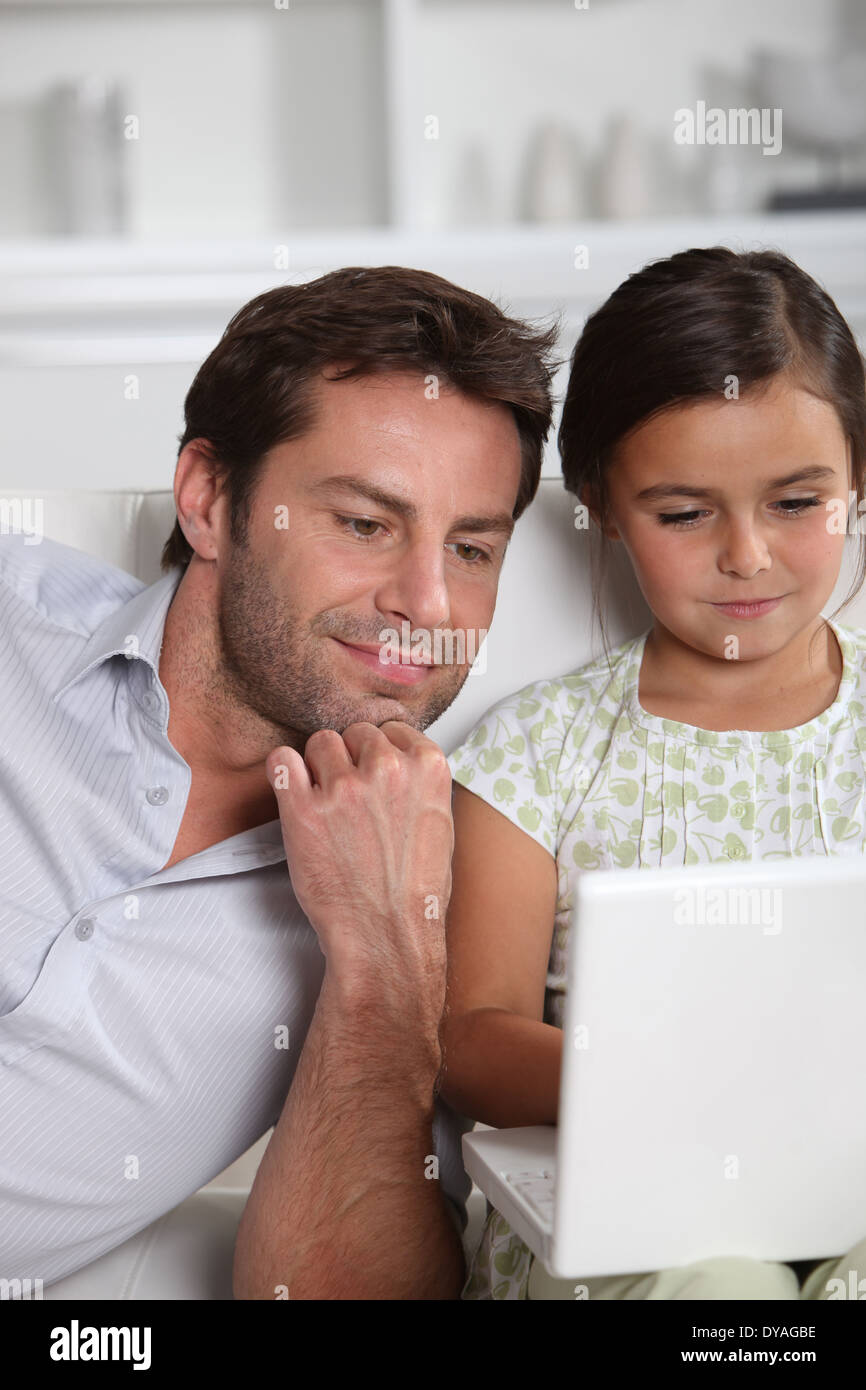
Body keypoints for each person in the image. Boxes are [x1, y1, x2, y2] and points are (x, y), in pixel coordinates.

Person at [0, 265, 558, 1300]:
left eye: (471, 547)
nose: (427, 603)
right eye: (363, 524)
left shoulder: (435, 896)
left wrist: (380, 960)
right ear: (210, 499)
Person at [441, 246, 866, 1300]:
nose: (746, 557)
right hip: (625, 1202)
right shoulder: (537, 752)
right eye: (682, 514)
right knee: (722, 1297)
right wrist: (680, 1084)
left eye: (795, 502)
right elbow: (466, 1041)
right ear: (601, 506)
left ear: (856, 480)